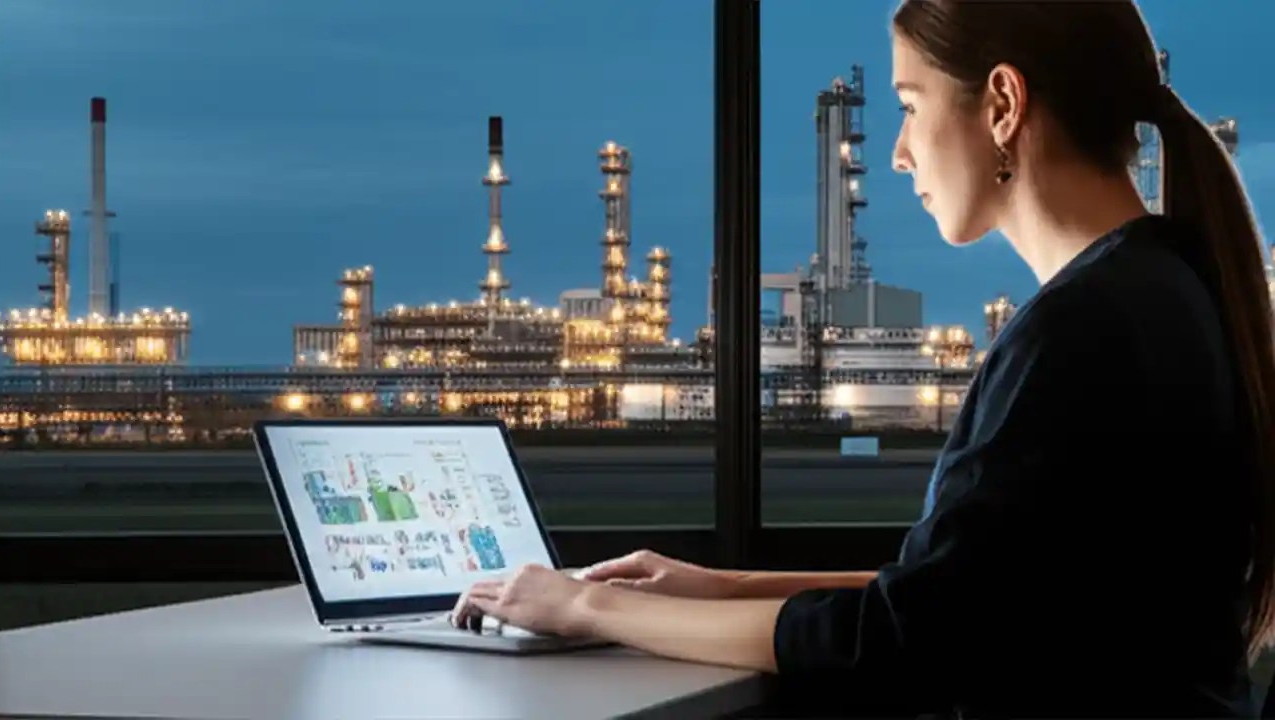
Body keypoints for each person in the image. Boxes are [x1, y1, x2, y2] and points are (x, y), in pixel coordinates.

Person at [452, 1, 1275, 715]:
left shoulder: (1083, 330)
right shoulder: (1169, 289)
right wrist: (718, 585)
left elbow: (903, 643)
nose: (900, 152)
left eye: (911, 107)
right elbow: (983, 597)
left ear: (1001, 103)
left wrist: (592, 612)